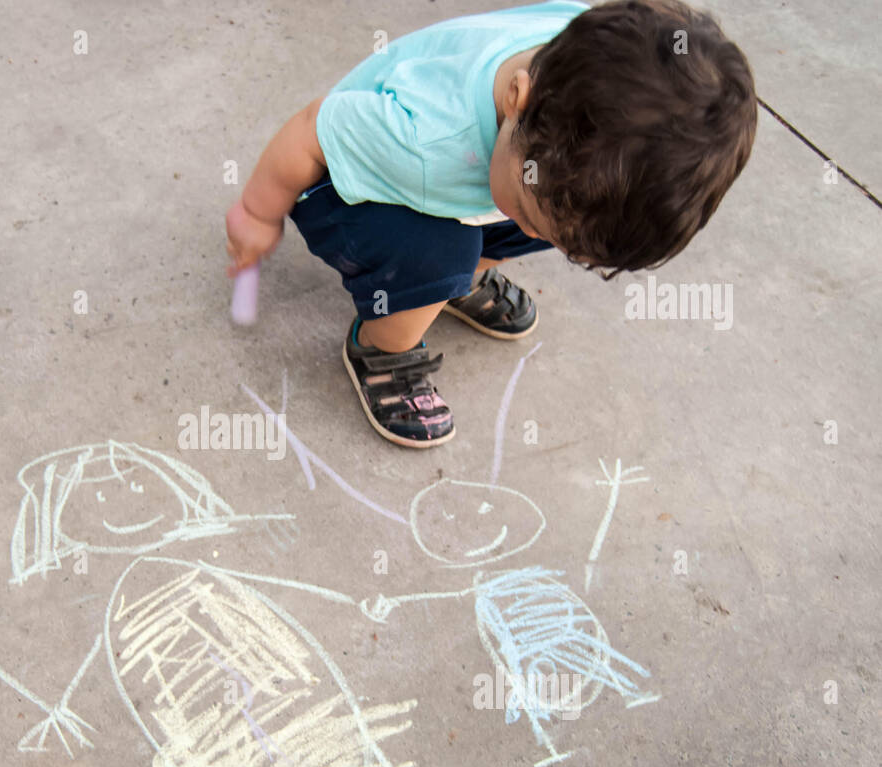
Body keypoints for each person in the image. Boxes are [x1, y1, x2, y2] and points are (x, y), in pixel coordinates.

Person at [225, 0, 756, 447]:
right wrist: (257, 212)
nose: (541, 239)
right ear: (515, 99)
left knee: (554, 215)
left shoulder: (588, 63)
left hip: (478, 175)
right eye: (531, 219)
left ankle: (460, 280)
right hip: (348, 181)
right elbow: (311, 130)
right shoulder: (420, 136)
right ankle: (381, 347)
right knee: (442, 252)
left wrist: (543, 221)